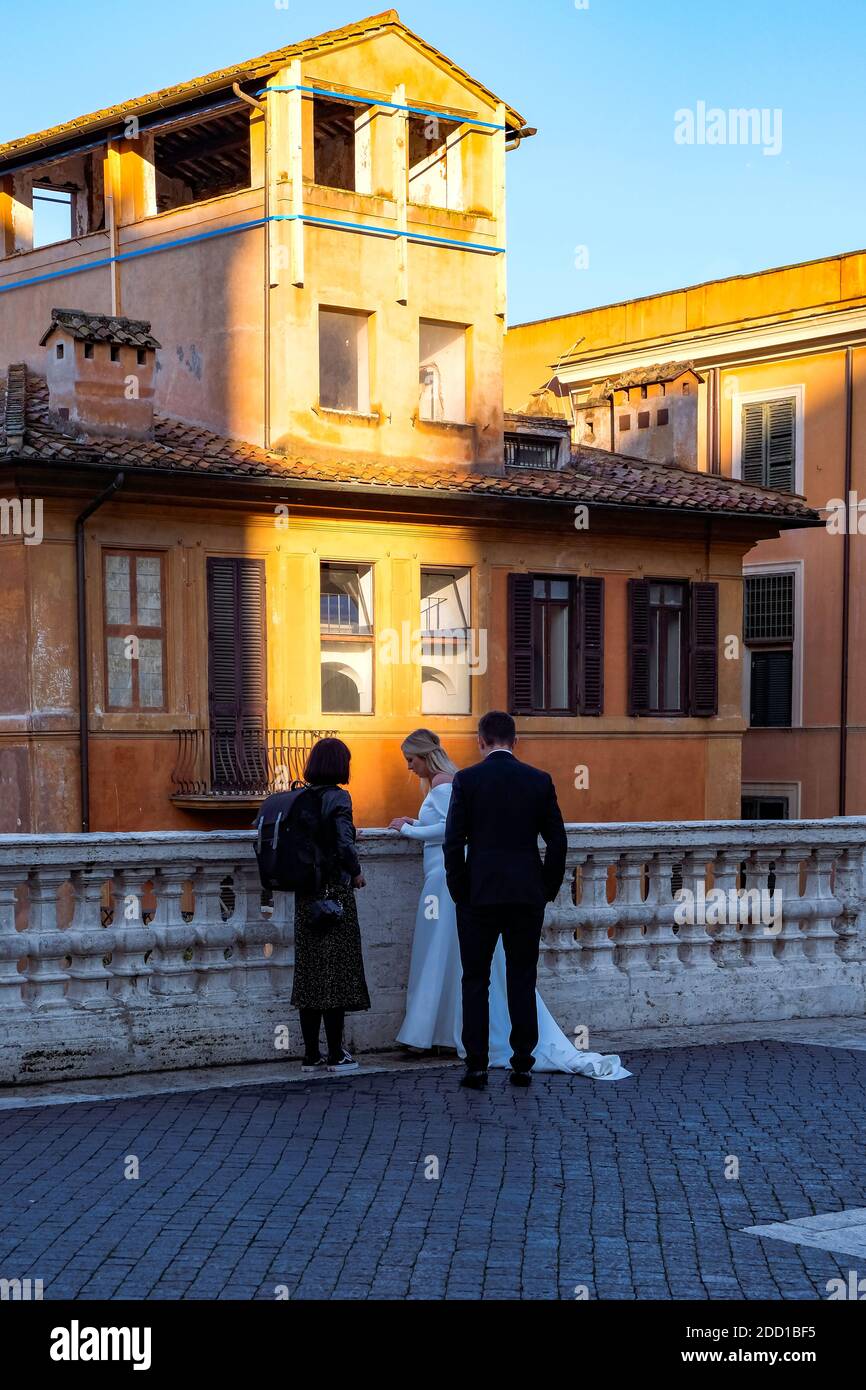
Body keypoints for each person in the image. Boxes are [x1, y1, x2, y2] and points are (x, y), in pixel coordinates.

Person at [393, 725, 630, 1084]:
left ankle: (476, 1064)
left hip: (478, 896)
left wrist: (459, 889)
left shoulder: (467, 781)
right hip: (524, 896)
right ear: (515, 741)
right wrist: (545, 889)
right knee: (521, 976)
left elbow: (454, 841)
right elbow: (557, 841)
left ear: (481, 742)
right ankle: (522, 1061)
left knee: (475, 979)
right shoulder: (539, 780)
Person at [290, 738, 370, 1074]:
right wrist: (357, 872)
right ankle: (336, 1054)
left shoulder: (299, 795)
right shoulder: (339, 797)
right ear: (341, 764)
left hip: (306, 894)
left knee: (309, 973)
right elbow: (343, 843)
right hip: (334, 893)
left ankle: (311, 1055)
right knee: (335, 972)